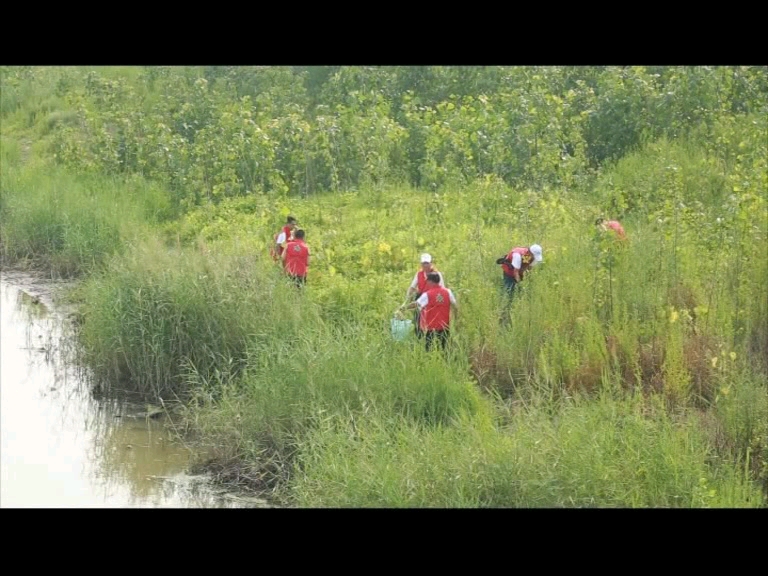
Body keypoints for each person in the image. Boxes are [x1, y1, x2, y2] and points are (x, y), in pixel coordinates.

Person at [405, 272, 457, 352]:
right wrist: (455, 318)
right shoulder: (448, 292)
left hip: (431, 326)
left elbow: (416, 304)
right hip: (445, 326)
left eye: (428, 281)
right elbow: (455, 306)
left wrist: (404, 307)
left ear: (431, 282)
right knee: (444, 348)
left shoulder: (427, 294)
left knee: (429, 349)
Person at [405, 253, 445, 338]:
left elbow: (442, 289)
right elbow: (412, 287)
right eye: (424, 263)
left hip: (432, 298)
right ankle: (419, 338)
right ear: (421, 264)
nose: (426, 265)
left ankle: (433, 337)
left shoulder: (437, 274)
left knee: (432, 321)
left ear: (431, 263)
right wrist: (407, 298)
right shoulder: (419, 274)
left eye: (427, 263)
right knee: (417, 320)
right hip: (421, 298)